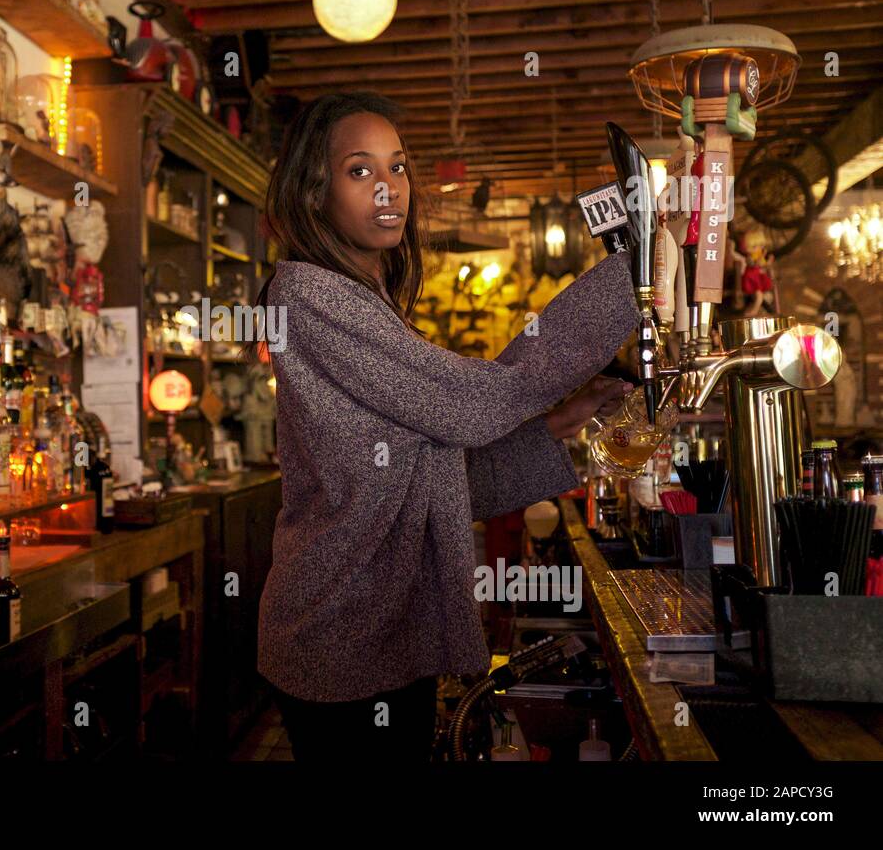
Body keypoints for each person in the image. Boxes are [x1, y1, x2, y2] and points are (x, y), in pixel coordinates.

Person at [253, 92, 640, 761]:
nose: (388, 188)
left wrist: (563, 422)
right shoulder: (309, 296)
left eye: (398, 167)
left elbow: (437, 476)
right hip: (339, 628)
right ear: (314, 193)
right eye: (359, 170)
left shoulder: (364, 305)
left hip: (380, 628)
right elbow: (477, 404)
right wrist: (636, 278)